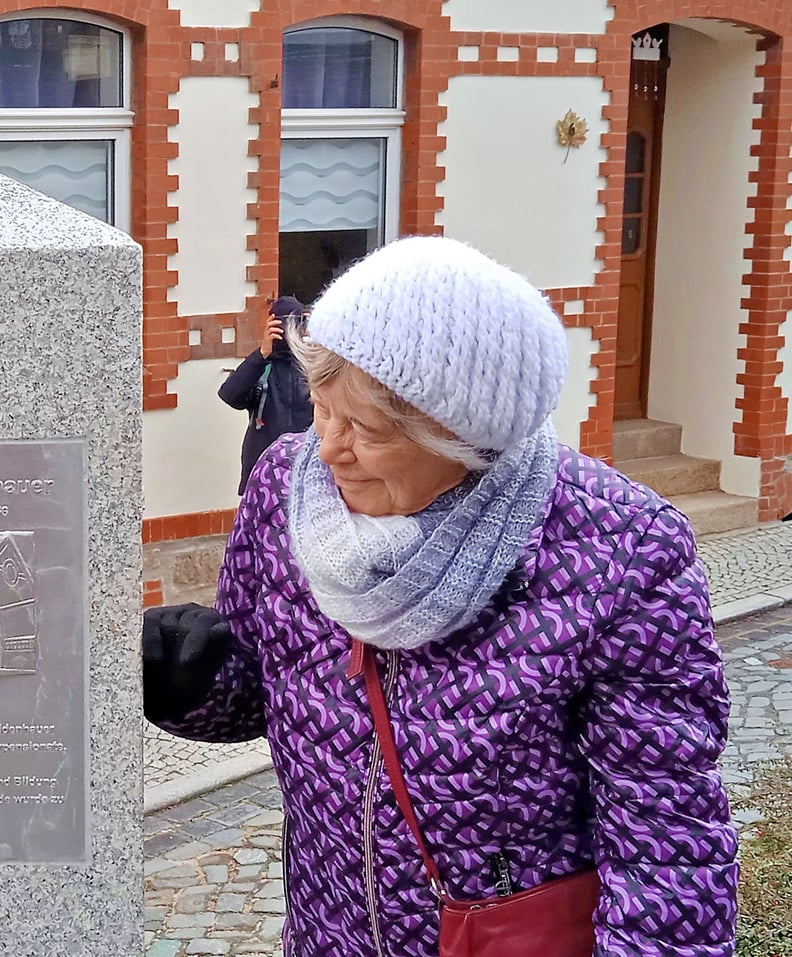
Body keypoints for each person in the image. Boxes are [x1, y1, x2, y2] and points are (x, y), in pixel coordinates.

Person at [145, 237, 738, 956]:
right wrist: (189, 677)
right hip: (328, 936)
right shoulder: (285, 491)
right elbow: (268, 694)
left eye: (364, 428)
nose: (326, 447)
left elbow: (666, 843)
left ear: (463, 437)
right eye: (322, 409)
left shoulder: (621, 549)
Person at [218, 295, 314, 494]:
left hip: (307, 465)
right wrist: (261, 354)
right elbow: (230, 395)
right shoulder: (262, 366)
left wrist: (314, 344)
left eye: (293, 323)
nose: (287, 332)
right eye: (282, 324)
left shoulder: (314, 365)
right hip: (264, 466)